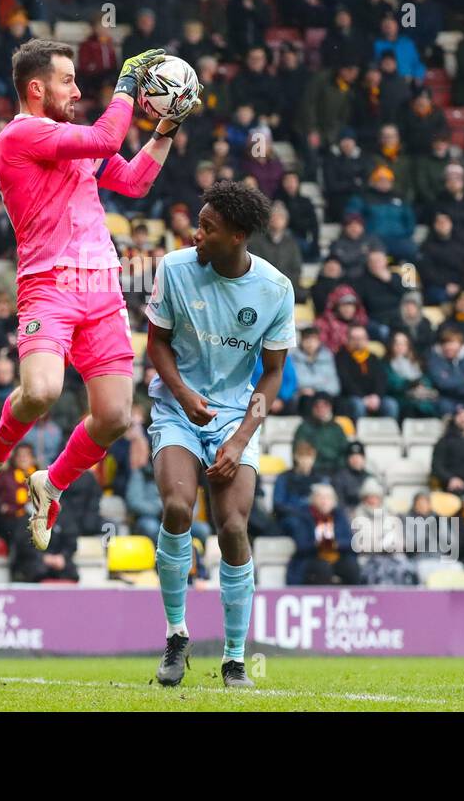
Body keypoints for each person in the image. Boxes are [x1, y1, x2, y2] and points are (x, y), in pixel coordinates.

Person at [0, 41, 197, 554]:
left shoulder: (70, 143)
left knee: (113, 417)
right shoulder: (19, 135)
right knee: (40, 391)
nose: (78, 90)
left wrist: (167, 126)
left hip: (102, 287)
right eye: (68, 80)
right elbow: (108, 137)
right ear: (36, 88)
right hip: (48, 285)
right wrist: (128, 83)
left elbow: (132, 182)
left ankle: (52, 484)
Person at [142, 180, 294, 689]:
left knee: (232, 527)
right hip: (177, 407)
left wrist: (240, 437)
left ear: (237, 236)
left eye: (207, 227)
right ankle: (176, 636)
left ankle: (233, 659)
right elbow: (156, 343)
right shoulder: (173, 268)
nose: (196, 234)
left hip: (234, 416)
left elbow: (272, 374)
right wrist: (183, 395)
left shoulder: (275, 290)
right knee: (179, 508)